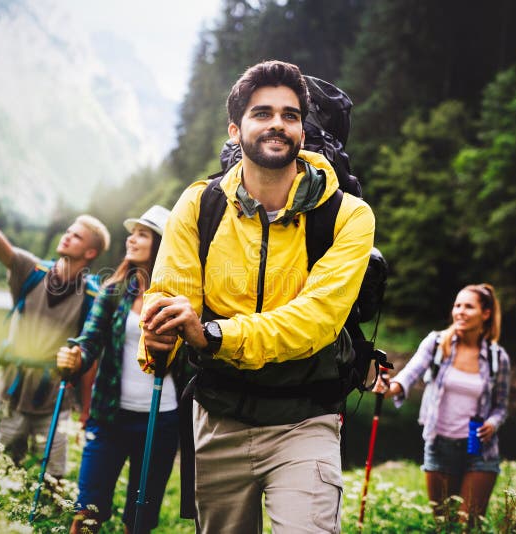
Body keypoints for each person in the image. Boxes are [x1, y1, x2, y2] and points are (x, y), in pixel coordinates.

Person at [139, 60, 375, 533]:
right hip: (218, 417)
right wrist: (159, 339)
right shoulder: (198, 204)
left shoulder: (348, 216)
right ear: (235, 128)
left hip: (305, 419)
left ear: (303, 132)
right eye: (261, 113)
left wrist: (210, 334)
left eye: (290, 115)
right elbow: (169, 294)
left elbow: (314, 322)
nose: (277, 124)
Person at [0, 168, 110, 479]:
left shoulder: (92, 296)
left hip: (55, 398)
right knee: (1, 471)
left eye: (76, 235)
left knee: (54, 479)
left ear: (90, 252)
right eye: (68, 230)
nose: (67, 235)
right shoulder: (29, 271)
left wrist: (85, 410)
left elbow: (91, 357)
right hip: (13, 393)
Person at [57, 205, 179, 534]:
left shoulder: (181, 294)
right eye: (132, 232)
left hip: (160, 417)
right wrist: (76, 356)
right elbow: (91, 339)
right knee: (88, 510)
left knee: (139, 518)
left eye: (142, 234)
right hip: (109, 414)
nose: (131, 238)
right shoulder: (113, 289)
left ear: (162, 243)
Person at [373, 283, 510, 527]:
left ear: (485, 313)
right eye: (457, 305)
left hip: (479, 450)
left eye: (468, 306)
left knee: (468, 525)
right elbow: (409, 375)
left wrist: (493, 422)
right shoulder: (436, 344)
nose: (460, 311)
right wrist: (389, 388)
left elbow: (500, 406)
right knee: (444, 525)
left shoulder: (497, 358)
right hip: (439, 446)